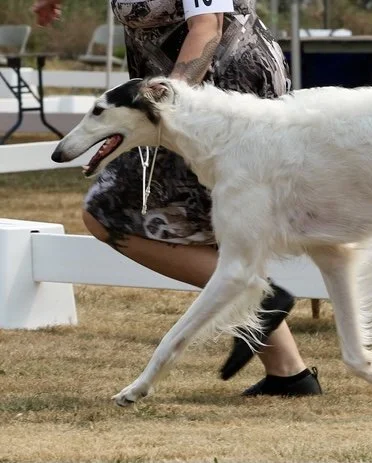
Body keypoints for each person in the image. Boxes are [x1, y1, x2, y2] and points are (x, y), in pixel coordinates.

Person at [32, 0, 322, 397]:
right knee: (219, 231)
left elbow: (207, 27)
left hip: (216, 94)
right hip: (170, 97)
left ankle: (262, 296)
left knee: (107, 212)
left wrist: (168, 104)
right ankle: (289, 374)